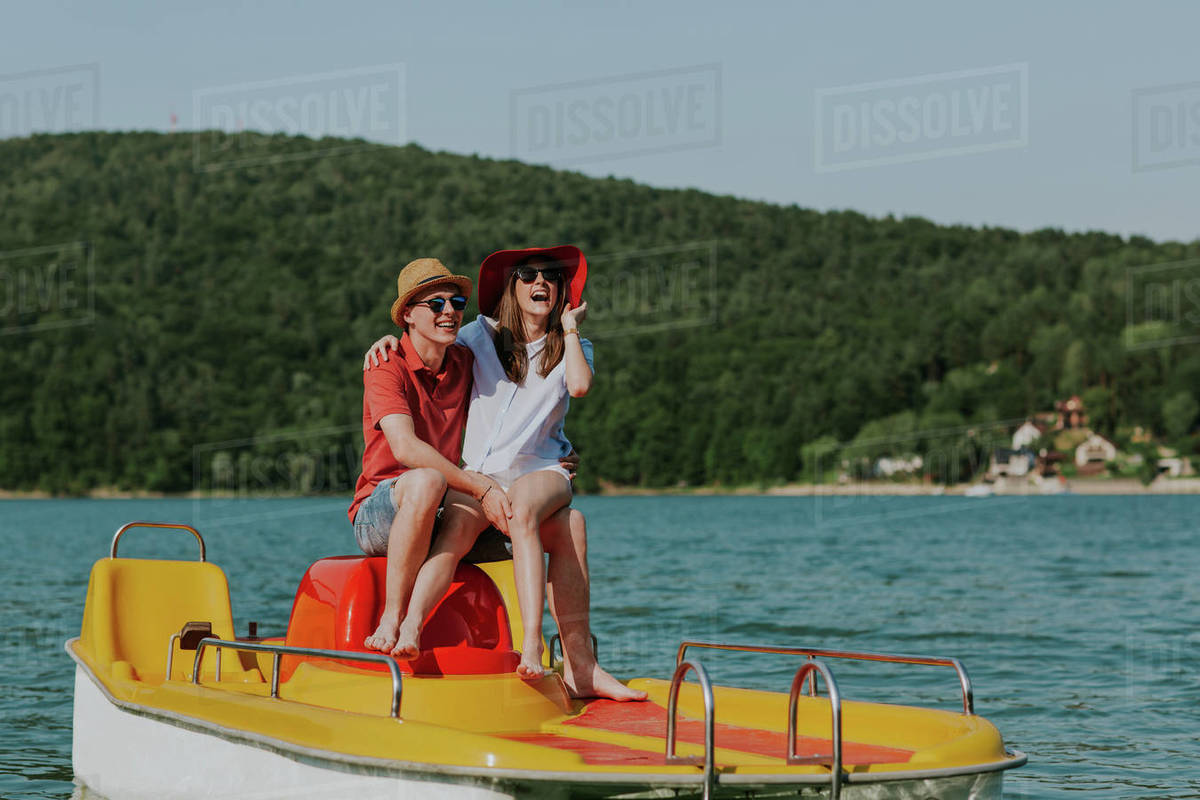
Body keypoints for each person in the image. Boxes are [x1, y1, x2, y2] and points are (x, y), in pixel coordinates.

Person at [356, 254, 644, 701]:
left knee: (571, 524)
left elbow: (578, 387)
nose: (449, 311)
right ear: (408, 316)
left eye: (455, 302)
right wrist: (386, 340)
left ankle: (579, 666)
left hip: (497, 482)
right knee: (432, 485)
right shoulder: (447, 348)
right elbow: (407, 450)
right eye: (435, 305)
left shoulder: (463, 354)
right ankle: (398, 622)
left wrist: (570, 329)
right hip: (399, 502)